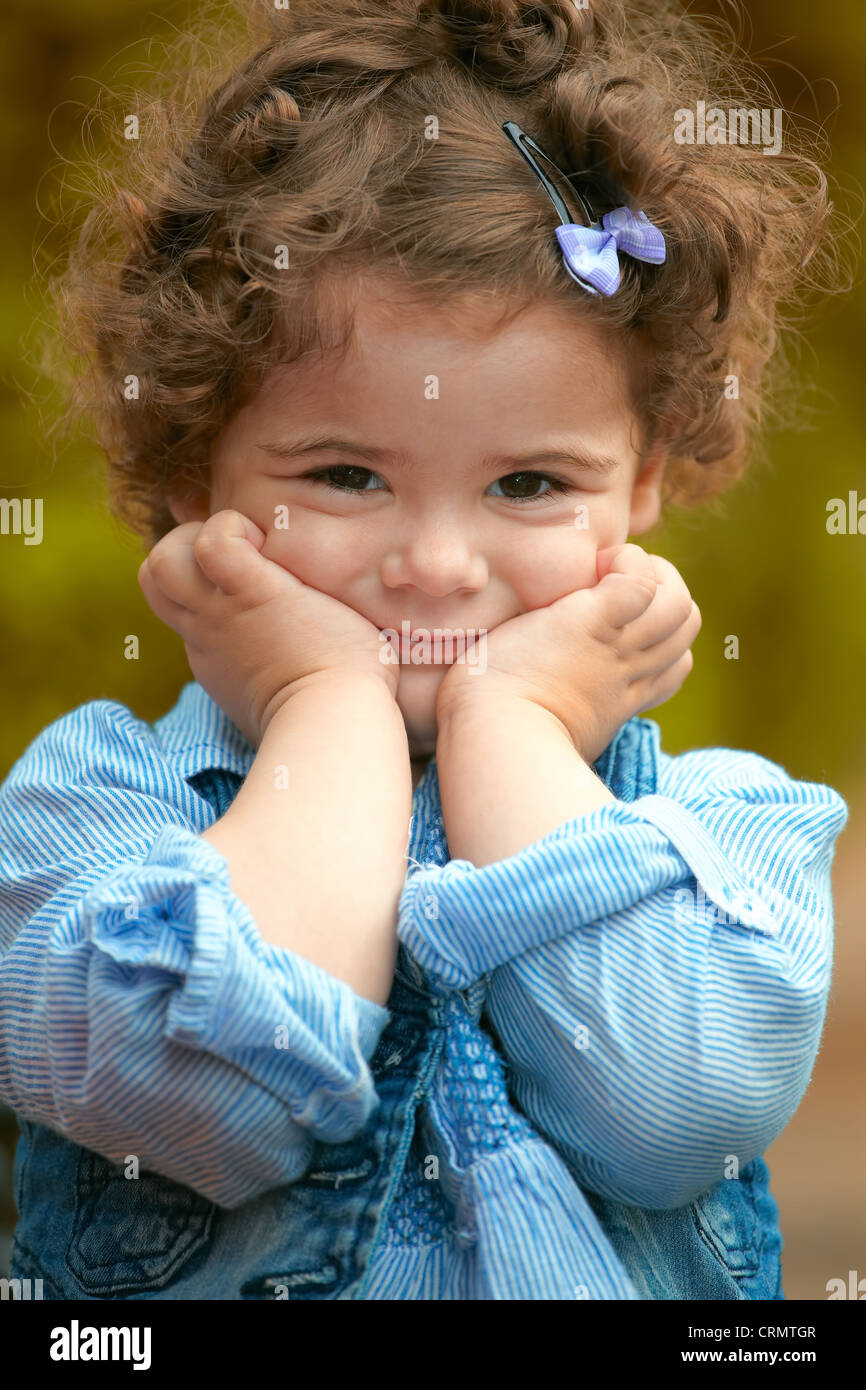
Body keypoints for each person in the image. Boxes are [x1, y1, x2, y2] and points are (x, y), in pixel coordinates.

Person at [0, 0, 850, 1299]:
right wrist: (324, 702)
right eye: (345, 474)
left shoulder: (724, 833)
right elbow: (204, 1099)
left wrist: (509, 725)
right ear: (190, 475)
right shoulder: (86, 815)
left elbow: (673, 1109)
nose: (440, 565)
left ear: (641, 482)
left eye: (526, 483)